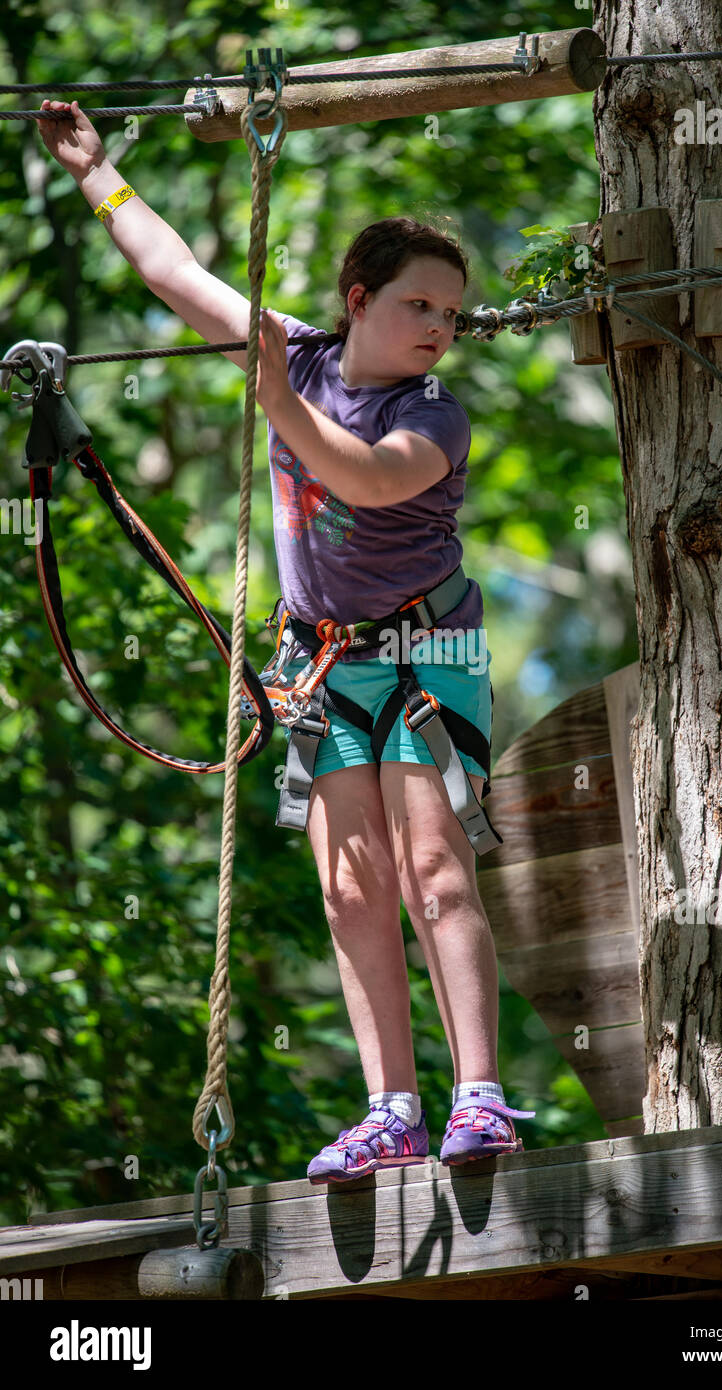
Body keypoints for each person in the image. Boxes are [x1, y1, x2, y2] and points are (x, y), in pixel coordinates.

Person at [37, 98, 535, 1183]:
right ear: (358, 300)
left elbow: (367, 477)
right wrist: (94, 174)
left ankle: (481, 1095)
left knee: (436, 871)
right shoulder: (300, 361)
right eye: (418, 303)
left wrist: (276, 406)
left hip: (423, 653)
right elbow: (171, 268)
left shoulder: (436, 412)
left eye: (451, 311)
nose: (439, 327)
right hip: (319, 658)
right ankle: (391, 1107)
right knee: (352, 888)